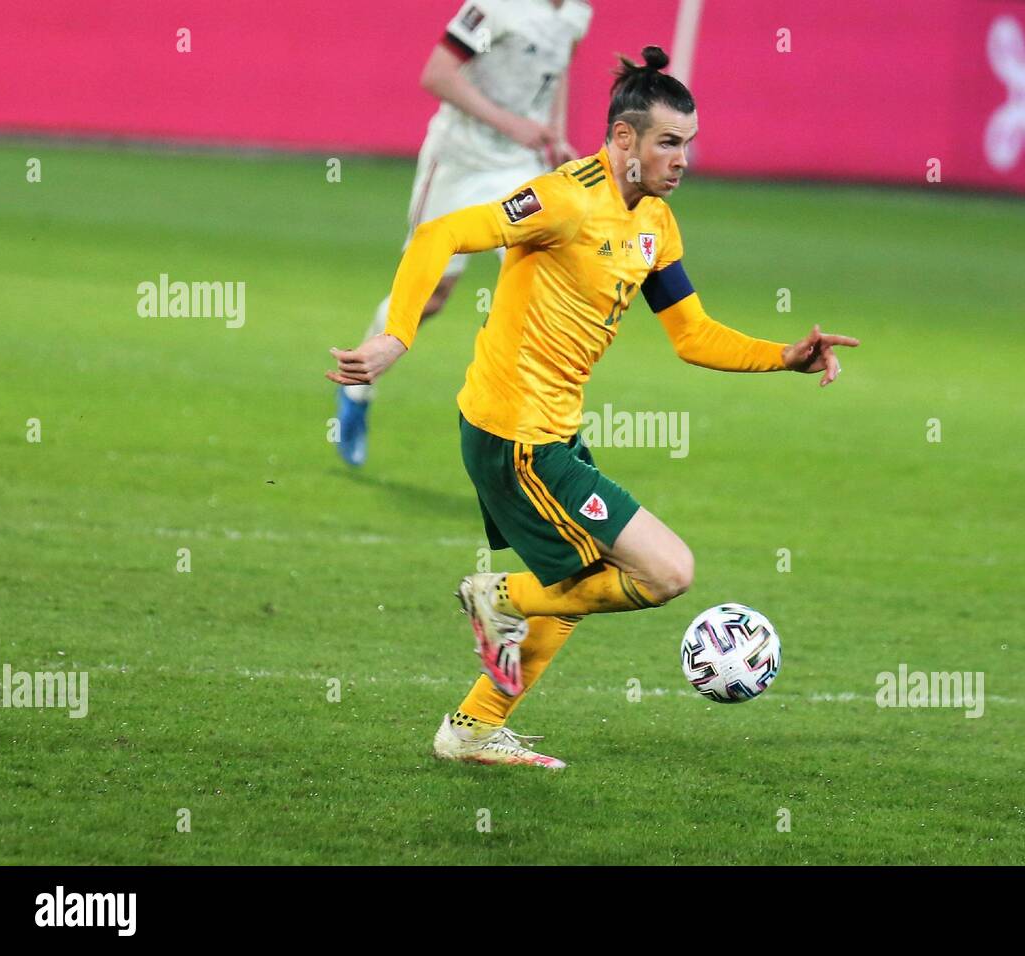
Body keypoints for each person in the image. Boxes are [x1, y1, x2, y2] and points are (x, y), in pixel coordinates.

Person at [326, 46, 859, 769]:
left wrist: (783, 356)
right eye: (668, 142)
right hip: (513, 436)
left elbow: (691, 334)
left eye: (689, 145)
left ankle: (474, 725)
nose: (682, 160)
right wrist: (397, 334)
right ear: (623, 139)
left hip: (551, 433)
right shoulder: (563, 198)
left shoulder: (656, 224)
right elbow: (440, 233)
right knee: (665, 573)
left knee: (576, 588)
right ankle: (497, 597)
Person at [335, 0, 592, 466]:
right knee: (430, 297)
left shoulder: (576, 13)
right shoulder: (496, 7)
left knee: (544, 281)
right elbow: (437, 74)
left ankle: (547, 434)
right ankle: (357, 388)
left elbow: (558, 73)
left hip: (517, 166)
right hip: (458, 159)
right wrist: (513, 124)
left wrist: (554, 134)